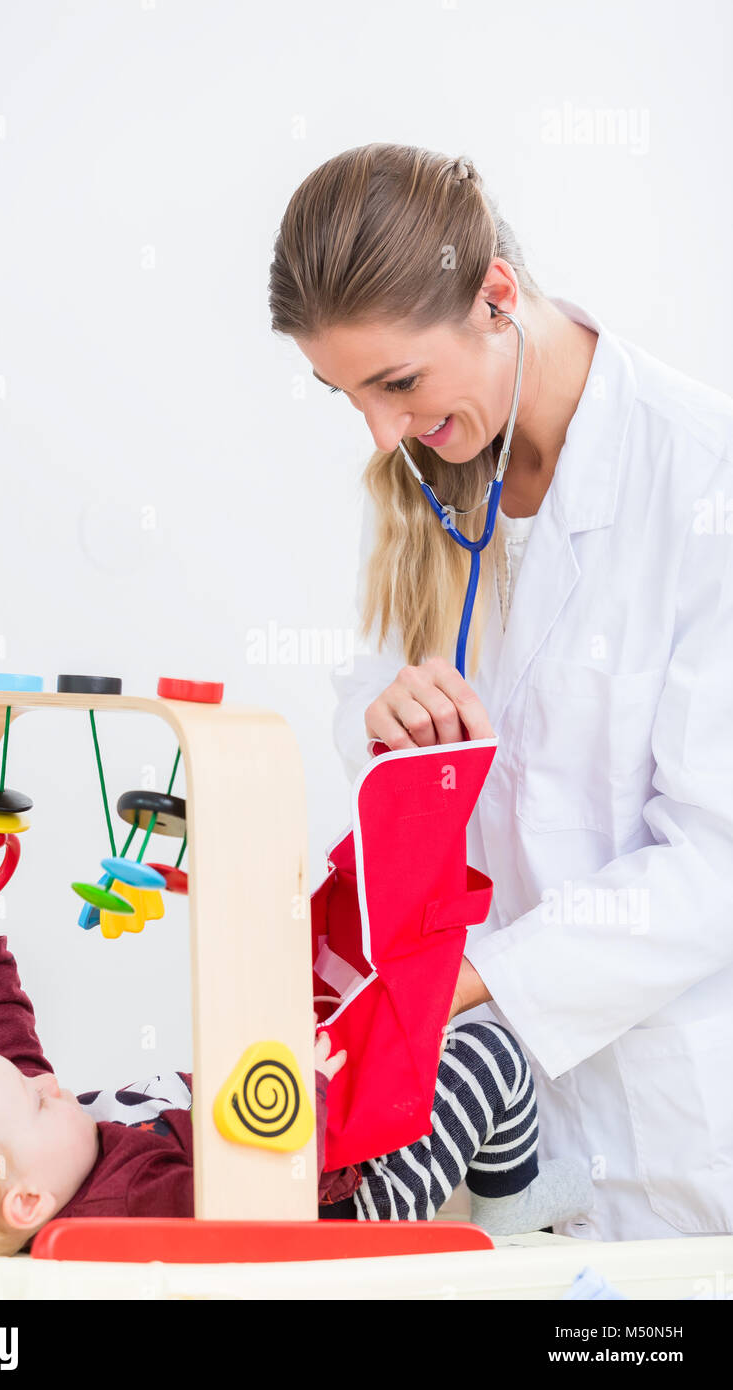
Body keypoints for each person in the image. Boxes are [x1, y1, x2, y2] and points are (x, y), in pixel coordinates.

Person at [269, 142, 733, 1241]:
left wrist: (469, 977)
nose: (379, 434)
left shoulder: (700, 475)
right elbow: (368, 716)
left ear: (494, 297)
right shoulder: (423, 483)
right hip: (492, 1136)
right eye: (344, 395)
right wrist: (385, 729)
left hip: (667, 1130)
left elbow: (713, 864)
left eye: (396, 384)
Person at [0, 866, 593, 1255]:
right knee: (487, 1050)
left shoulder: (42, 1154)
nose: (49, 1081)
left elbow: (6, 1050)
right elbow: (255, 1212)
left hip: (307, 1135)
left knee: (390, 1030)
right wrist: (302, 1089)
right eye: (34, 1099)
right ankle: (510, 1204)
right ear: (26, 1202)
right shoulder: (129, 1213)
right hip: (349, 1209)